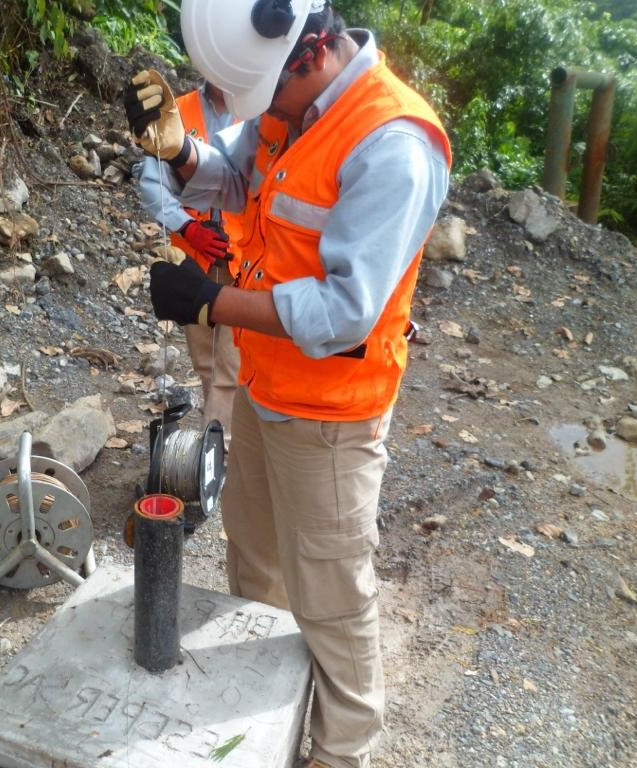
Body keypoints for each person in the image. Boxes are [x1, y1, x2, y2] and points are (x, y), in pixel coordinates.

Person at [124, 1, 451, 766]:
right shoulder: (291, 109)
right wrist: (178, 156)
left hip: (333, 417)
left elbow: (345, 311)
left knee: (333, 601)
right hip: (267, 390)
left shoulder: (392, 145)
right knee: (255, 561)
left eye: (263, 96)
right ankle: (255, 723)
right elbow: (237, 179)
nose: (260, 114)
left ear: (308, 53)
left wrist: (212, 301)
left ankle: (339, 753)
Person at [132, 79, 242, 450]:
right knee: (205, 360)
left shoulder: (262, 112)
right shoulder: (174, 114)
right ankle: (218, 432)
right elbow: (151, 184)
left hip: (243, 257)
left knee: (230, 361)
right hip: (194, 258)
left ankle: (220, 447)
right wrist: (188, 226)